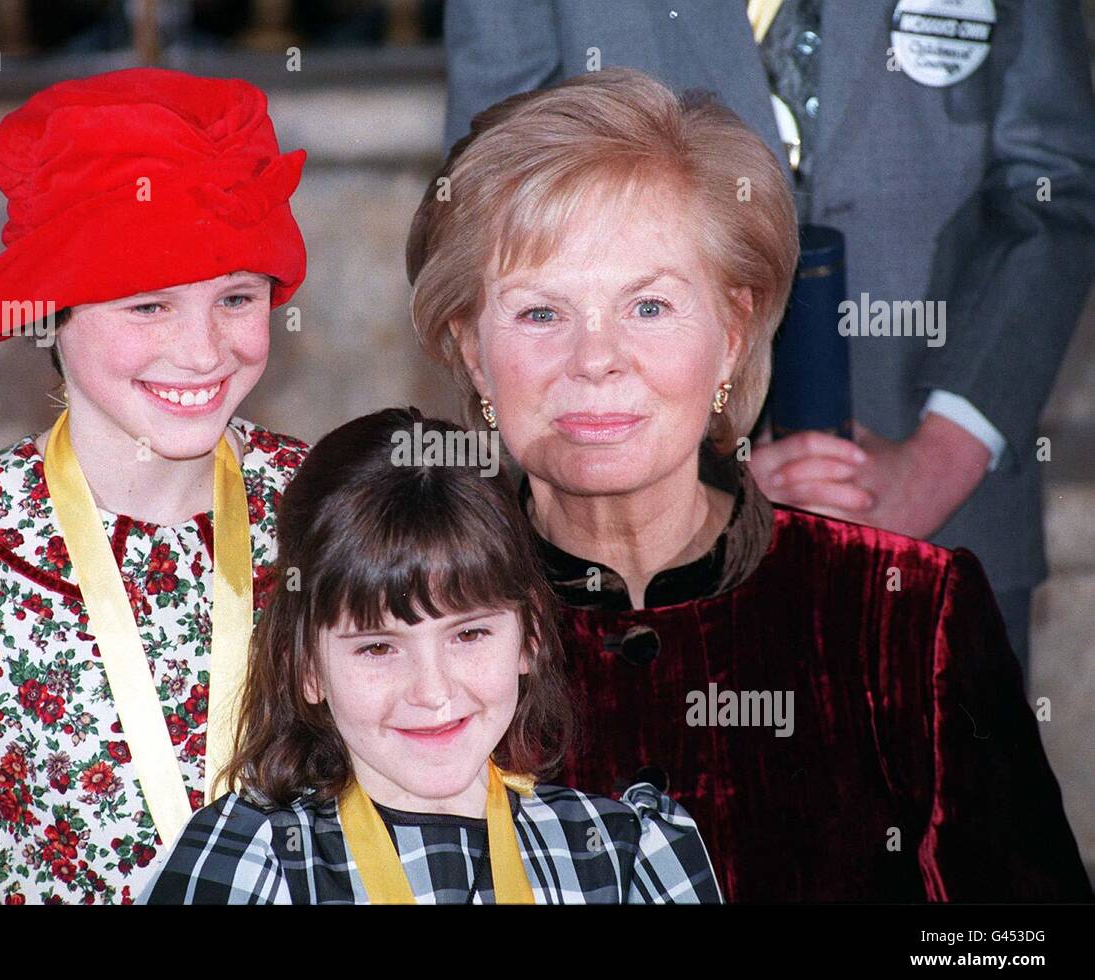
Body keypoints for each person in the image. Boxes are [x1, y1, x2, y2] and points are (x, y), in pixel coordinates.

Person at [405, 68, 1090, 901]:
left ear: (733, 334)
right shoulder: (403, 622)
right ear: (472, 350)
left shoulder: (904, 611)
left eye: (649, 307)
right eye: (540, 313)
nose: (595, 359)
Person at [443, 0, 1095, 677]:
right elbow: (483, 225)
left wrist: (941, 458)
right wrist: (700, 488)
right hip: (634, 546)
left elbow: (1057, 186)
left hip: (947, 518)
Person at [0, 68, 310, 904]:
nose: (202, 353)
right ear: (52, 314)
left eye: (236, 297)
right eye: (147, 307)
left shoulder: (337, 513)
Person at [142, 407, 722, 904]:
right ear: (307, 668)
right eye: (377, 646)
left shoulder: (626, 857)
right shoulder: (247, 864)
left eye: (469, 635)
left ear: (532, 636)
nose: (433, 691)